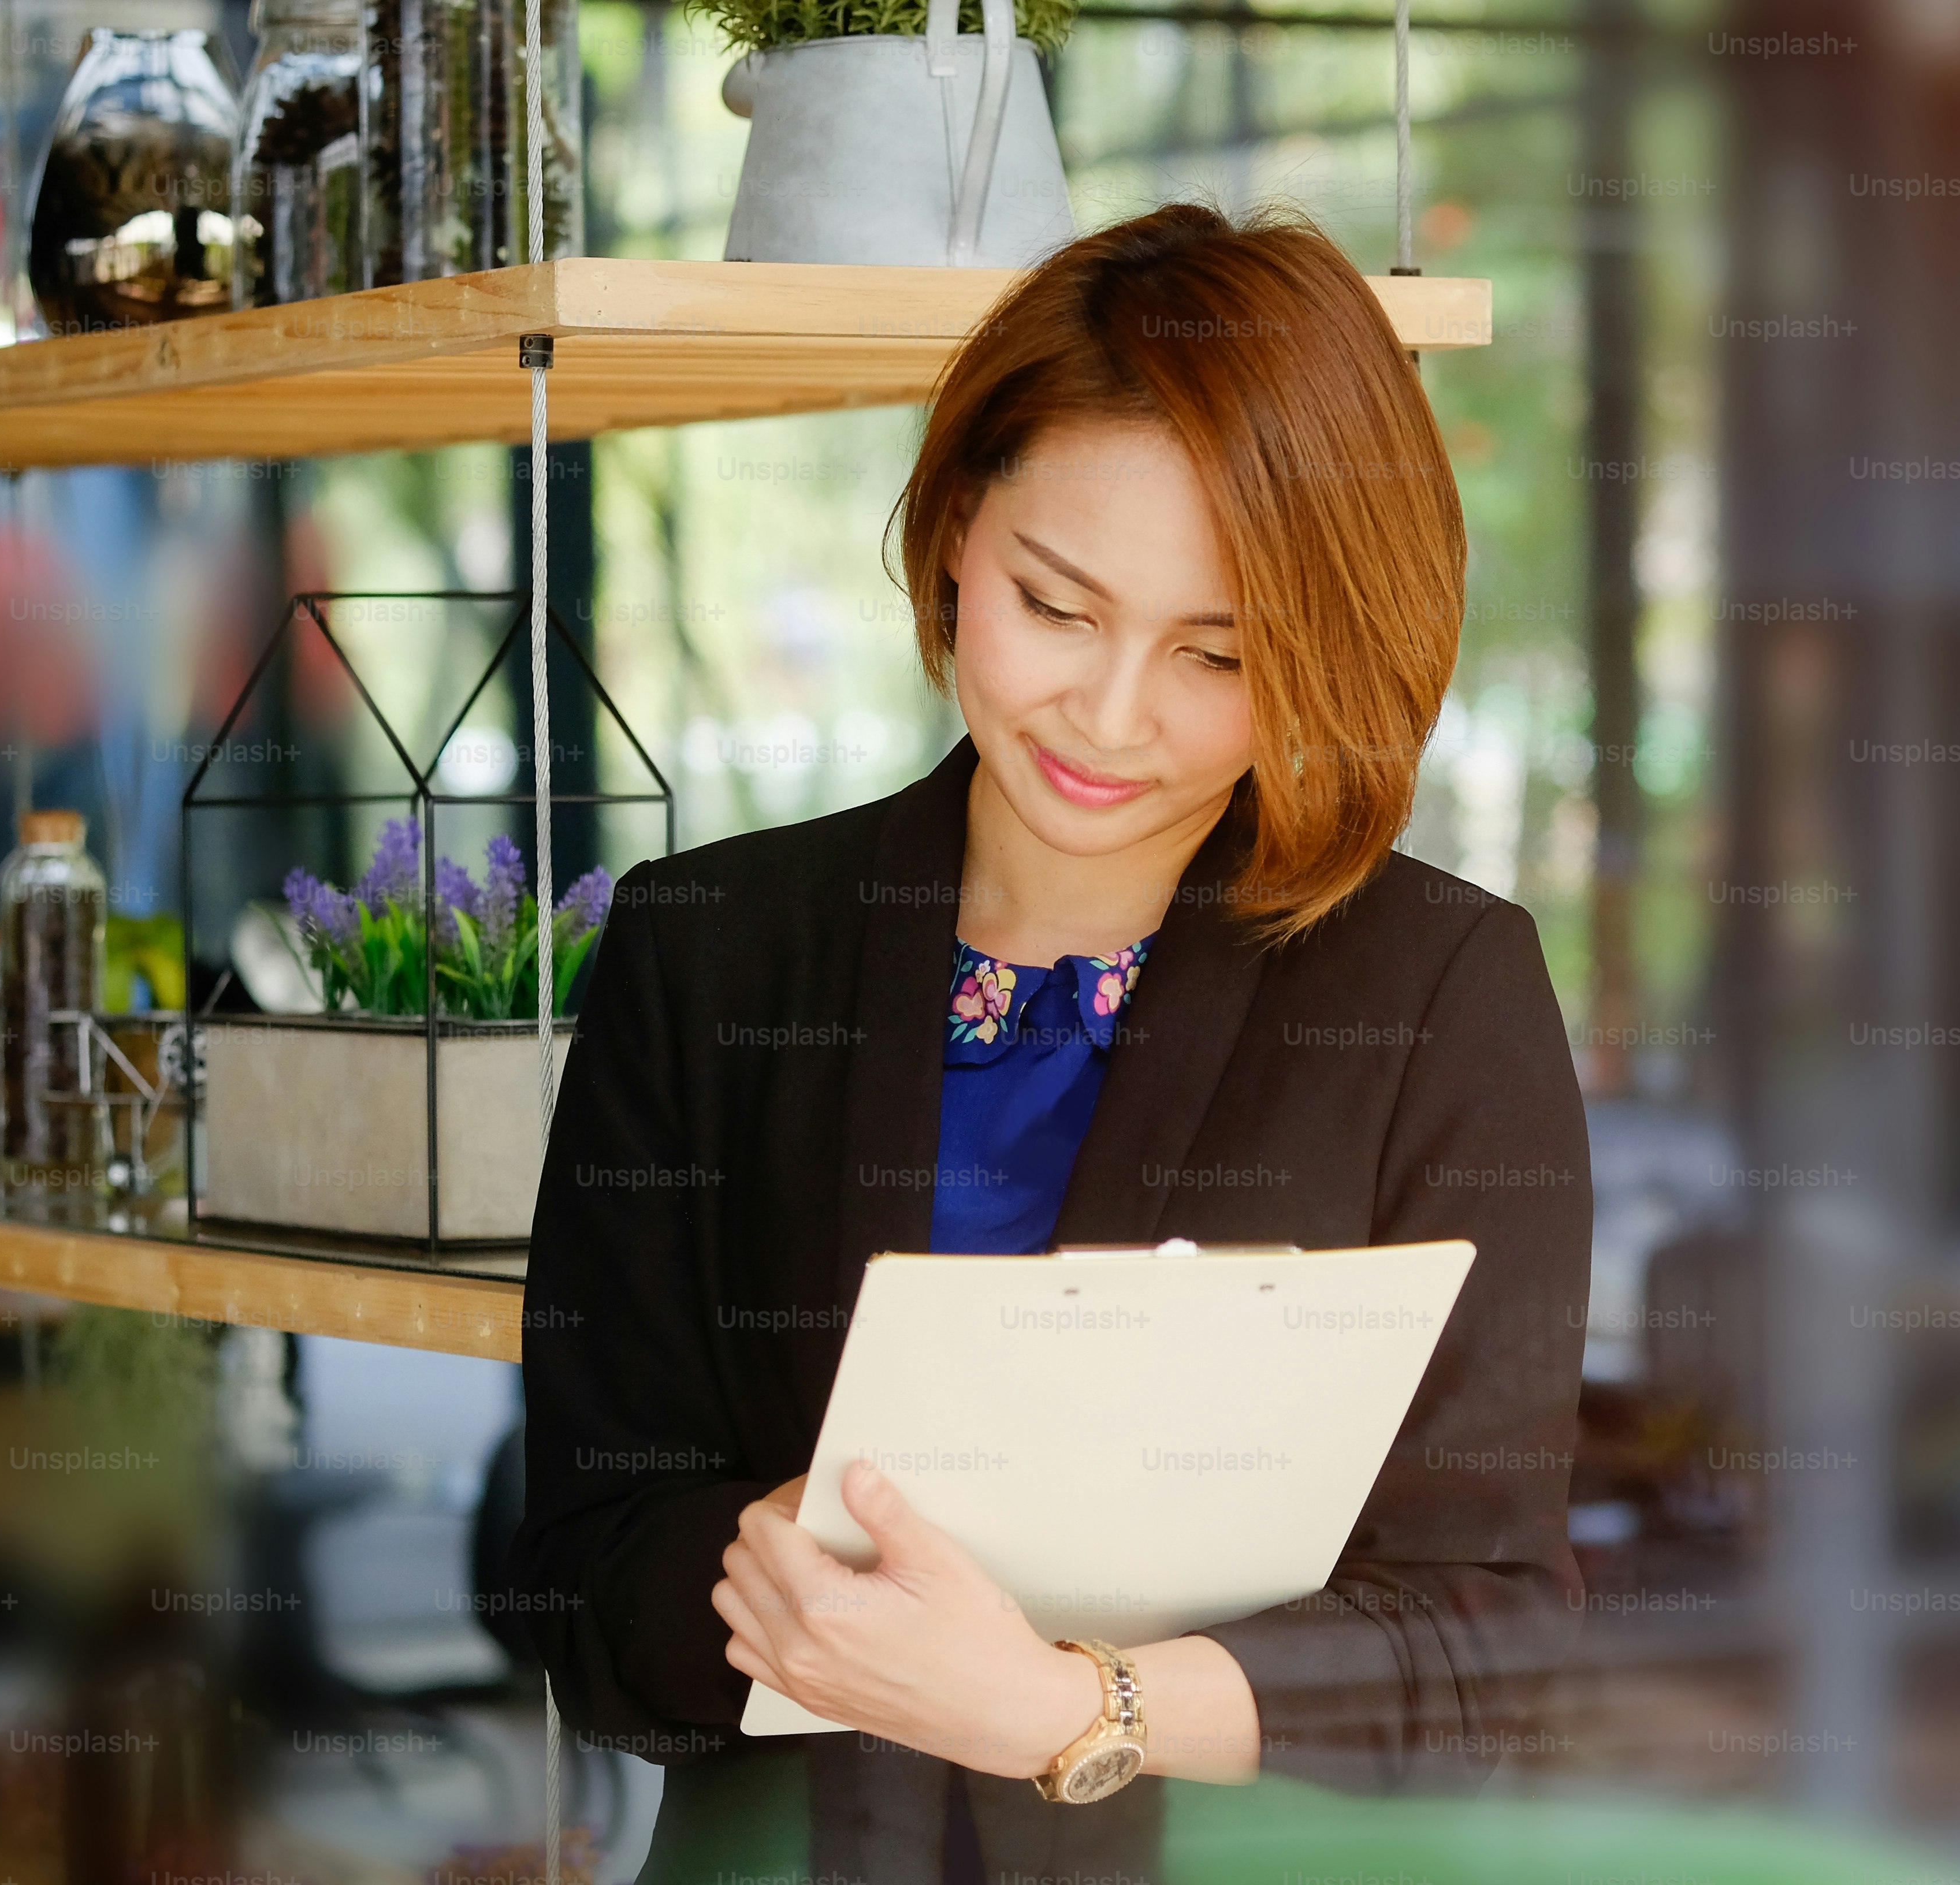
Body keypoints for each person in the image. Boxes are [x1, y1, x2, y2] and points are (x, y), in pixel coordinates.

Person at [518, 201, 1592, 1884]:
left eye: (1217, 654)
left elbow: (1489, 1651)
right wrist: (775, 1571)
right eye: (1056, 605)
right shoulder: (711, 952)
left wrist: (1063, 1707)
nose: (1109, 719)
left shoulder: (1440, 986)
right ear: (956, 531)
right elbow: (578, 1590)